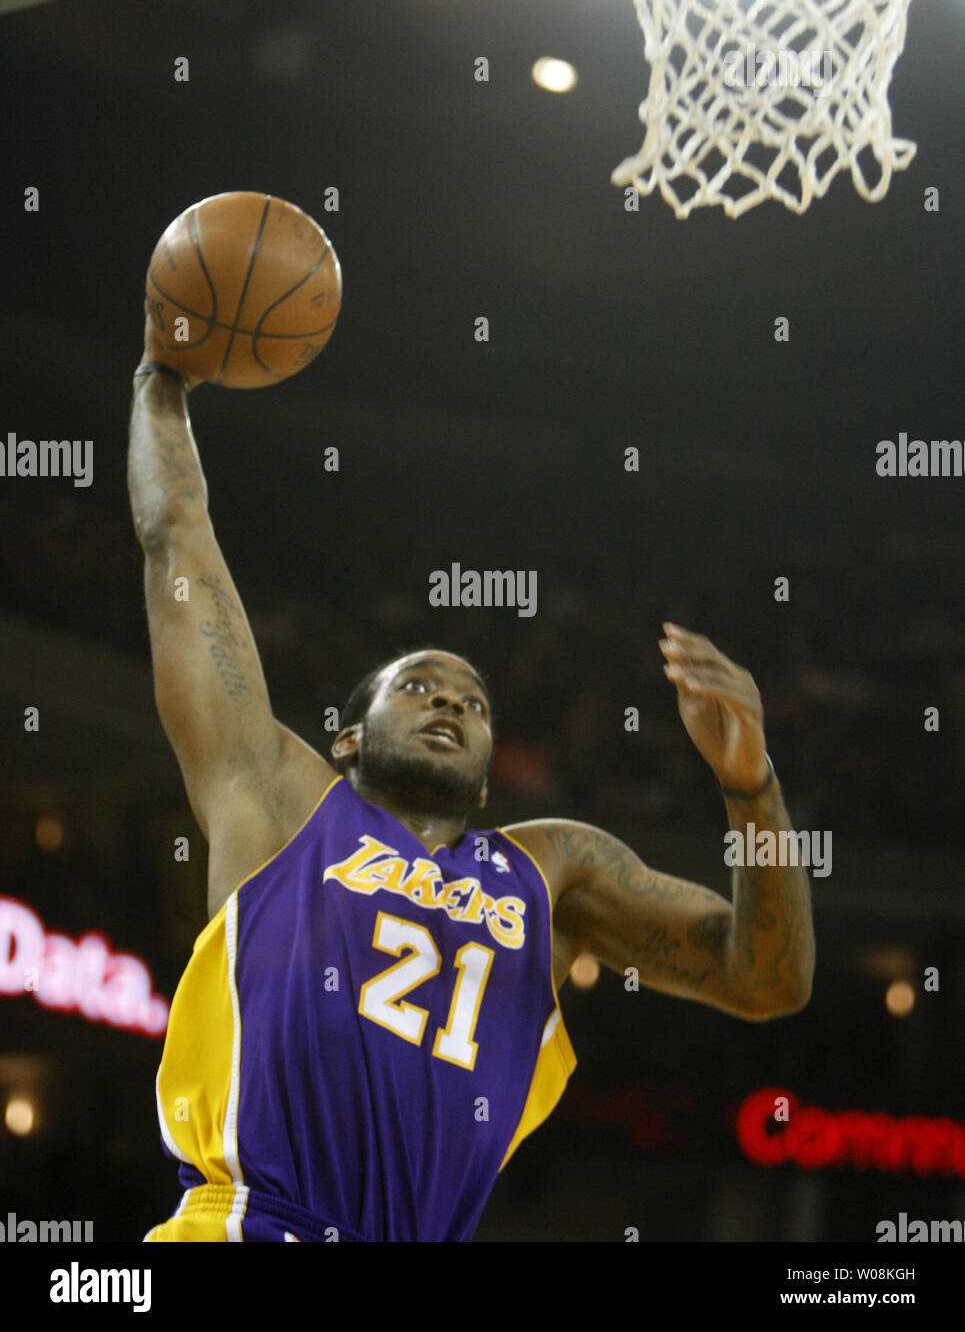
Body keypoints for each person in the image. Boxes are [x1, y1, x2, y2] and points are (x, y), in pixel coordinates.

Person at [129, 312, 814, 1242]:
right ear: (346, 740)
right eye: (417, 685)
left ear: (489, 785)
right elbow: (178, 535)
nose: (450, 703)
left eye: (475, 704)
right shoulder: (279, 797)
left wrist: (750, 788)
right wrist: (159, 379)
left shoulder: (549, 869)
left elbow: (766, 980)